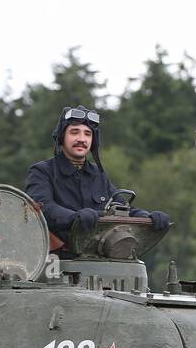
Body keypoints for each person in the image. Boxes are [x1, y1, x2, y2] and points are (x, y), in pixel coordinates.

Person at [25, 105, 170, 256]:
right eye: (74, 132)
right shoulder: (42, 172)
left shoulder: (98, 174)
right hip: (57, 262)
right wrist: (74, 218)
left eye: (88, 134)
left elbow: (120, 207)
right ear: (62, 136)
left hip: (98, 260)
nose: (81, 139)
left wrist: (146, 217)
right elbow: (42, 208)